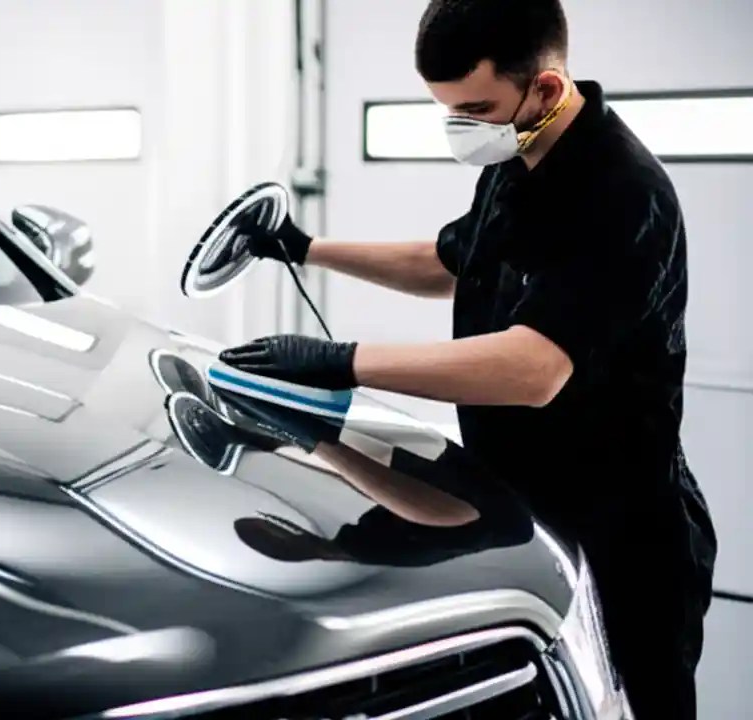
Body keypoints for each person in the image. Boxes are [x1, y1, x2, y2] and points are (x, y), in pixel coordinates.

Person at [217, 1, 718, 718]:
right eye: (450, 109)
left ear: (545, 88)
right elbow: (448, 262)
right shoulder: (517, 158)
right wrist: (301, 247)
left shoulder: (622, 192)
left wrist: (342, 361)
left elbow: (532, 370)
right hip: (521, 508)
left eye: (477, 107)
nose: (464, 127)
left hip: (624, 539)